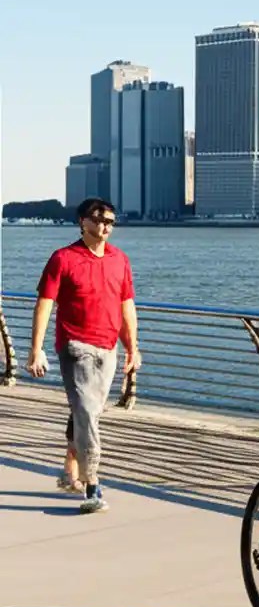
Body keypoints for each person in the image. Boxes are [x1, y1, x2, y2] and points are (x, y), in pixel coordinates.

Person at [27, 197, 141, 514]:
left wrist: (133, 346)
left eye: (110, 222)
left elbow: (126, 305)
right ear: (82, 221)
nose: (105, 225)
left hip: (109, 348)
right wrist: (35, 350)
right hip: (75, 347)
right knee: (88, 414)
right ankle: (93, 487)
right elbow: (45, 304)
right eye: (99, 219)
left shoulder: (120, 260)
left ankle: (69, 469)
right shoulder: (63, 259)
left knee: (88, 412)